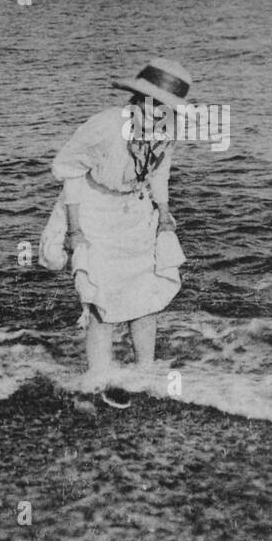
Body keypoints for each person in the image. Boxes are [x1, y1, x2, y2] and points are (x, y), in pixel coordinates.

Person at [50, 59, 190, 391]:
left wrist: (164, 212)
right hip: (93, 209)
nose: (156, 111)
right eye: (150, 102)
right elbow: (69, 170)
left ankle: (145, 374)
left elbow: (159, 174)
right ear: (137, 98)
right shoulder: (105, 125)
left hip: (137, 212)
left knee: (146, 297)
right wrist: (73, 231)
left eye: (165, 106)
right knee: (101, 300)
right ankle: (99, 377)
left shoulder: (168, 130)